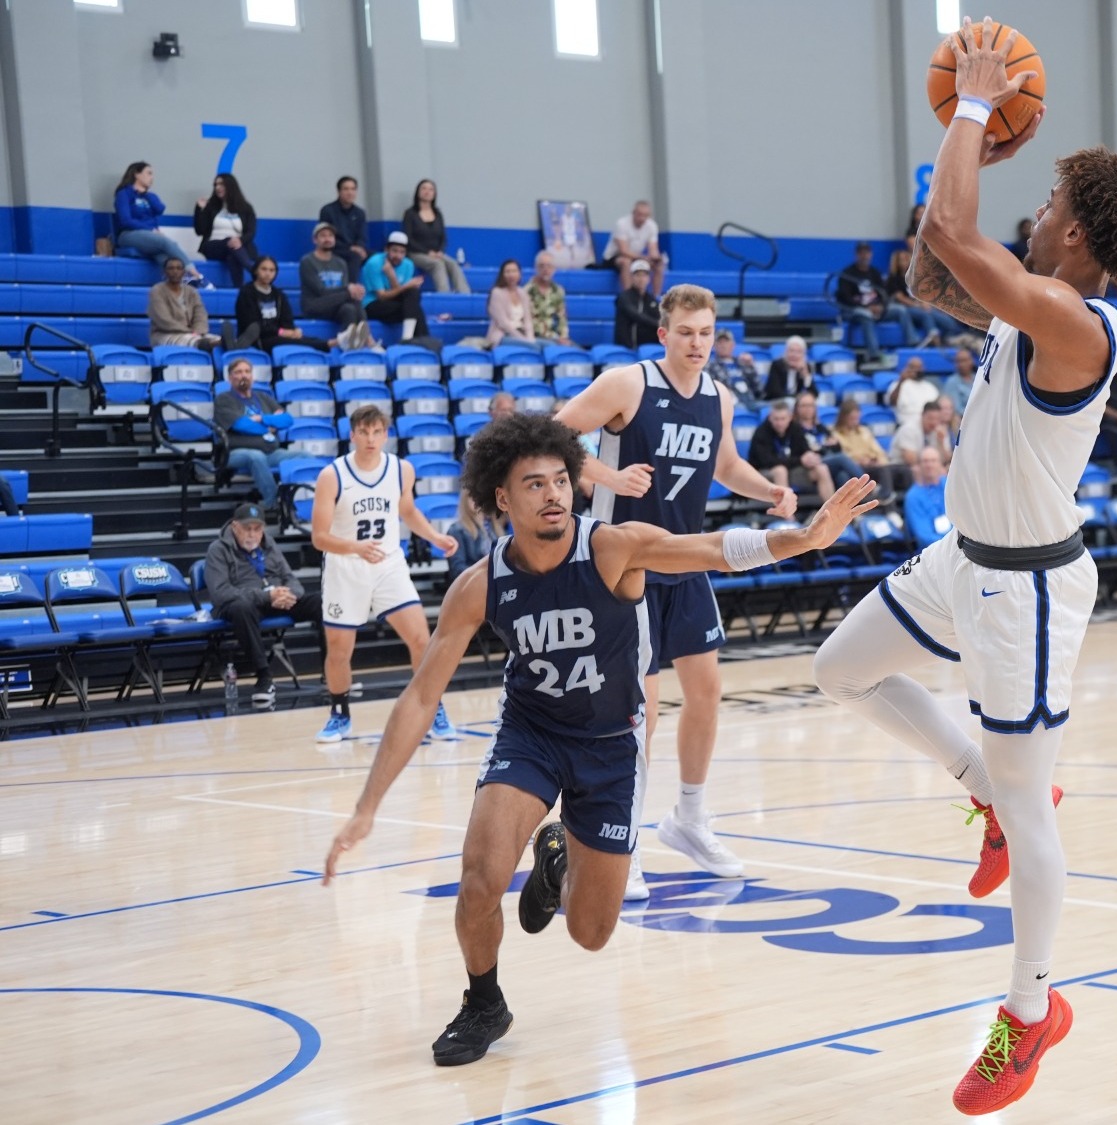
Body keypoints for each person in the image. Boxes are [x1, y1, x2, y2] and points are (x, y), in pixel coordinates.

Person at [812, 24, 1117, 1112]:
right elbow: (931, 264)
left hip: (1027, 591)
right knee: (840, 669)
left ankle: (1029, 1012)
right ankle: (992, 791)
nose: (1039, 208)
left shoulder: (1071, 321)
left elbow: (951, 227)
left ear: (1075, 231)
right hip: (962, 556)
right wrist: (978, 152)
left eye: (1051, 198)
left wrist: (972, 109)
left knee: (1030, 810)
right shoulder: (1024, 296)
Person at [321, 413, 876, 1067]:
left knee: (591, 931)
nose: (554, 493)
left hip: (613, 746)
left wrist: (805, 538)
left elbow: (711, 547)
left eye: (561, 479)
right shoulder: (480, 584)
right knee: (478, 881)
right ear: (503, 497)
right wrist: (366, 807)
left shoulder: (614, 545)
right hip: (531, 734)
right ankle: (483, 1001)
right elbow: (419, 695)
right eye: (534, 484)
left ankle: (556, 856)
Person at [553, 284, 803, 903]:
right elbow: (550, 438)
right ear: (663, 334)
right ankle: (622, 842)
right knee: (642, 713)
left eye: (707, 333)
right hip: (626, 564)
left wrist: (768, 491)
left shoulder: (718, 396)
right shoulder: (626, 384)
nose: (697, 343)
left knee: (708, 693)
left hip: (686, 561)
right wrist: (608, 476)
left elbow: (723, 465)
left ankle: (689, 818)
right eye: (686, 332)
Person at [308, 405, 461, 745]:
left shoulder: (401, 469)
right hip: (345, 569)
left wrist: (434, 536)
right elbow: (319, 537)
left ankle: (432, 708)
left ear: (386, 434)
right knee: (338, 649)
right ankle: (339, 714)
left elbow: (406, 509)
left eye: (377, 432)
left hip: (389, 565)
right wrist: (355, 547)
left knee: (422, 639)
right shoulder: (332, 476)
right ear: (352, 434)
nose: (370, 439)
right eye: (363, 432)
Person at [203, 502, 322, 708]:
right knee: (241, 608)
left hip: (276, 599)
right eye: (247, 529)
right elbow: (221, 593)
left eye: (257, 529)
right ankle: (264, 678)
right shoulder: (218, 549)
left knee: (321, 602)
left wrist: (288, 594)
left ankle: (333, 671)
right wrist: (267, 596)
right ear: (234, 527)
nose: (252, 534)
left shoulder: (269, 544)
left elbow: (290, 578)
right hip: (241, 604)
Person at [212, 357, 307, 507]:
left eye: (247, 371)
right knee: (255, 457)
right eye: (238, 372)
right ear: (230, 378)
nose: (244, 375)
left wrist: (261, 418)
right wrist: (269, 426)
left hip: (270, 452)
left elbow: (287, 419)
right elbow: (241, 425)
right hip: (234, 453)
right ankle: (274, 503)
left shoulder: (263, 397)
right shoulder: (224, 399)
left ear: (252, 376)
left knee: (304, 456)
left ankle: (304, 501)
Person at [113, 162, 206, 284]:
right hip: (129, 234)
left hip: (150, 236)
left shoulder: (149, 196)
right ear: (137, 174)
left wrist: (145, 194)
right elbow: (125, 220)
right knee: (165, 242)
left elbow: (160, 208)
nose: (152, 177)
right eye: (149, 173)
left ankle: (182, 281)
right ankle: (194, 273)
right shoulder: (124, 194)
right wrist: (150, 230)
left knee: (164, 257)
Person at [299, 222, 374, 350]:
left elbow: (344, 291)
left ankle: (348, 345)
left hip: (336, 304)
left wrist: (351, 291)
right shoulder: (307, 261)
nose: (327, 239)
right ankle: (368, 338)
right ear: (314, 240)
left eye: (330, 236)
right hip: (314, 304)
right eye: (323, 236)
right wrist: (349, 289)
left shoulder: (341, 263)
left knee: (349, 308)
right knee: (351, 296)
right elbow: (320, 291)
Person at [235, 257, 327, 353]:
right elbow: (251, 325)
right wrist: (281, 332)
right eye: (264, 269)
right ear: (255, 271)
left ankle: (328, 344)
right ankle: (329, 344)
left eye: (272, 270)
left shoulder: (278, 294)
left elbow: (287, 321)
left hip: (278, 336)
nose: (268, 273)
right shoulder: (246, 293)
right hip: (258, 340)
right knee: (296, 342)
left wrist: (293, 331)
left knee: (305, 339)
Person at [748, 397, 835, 498]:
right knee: (780, 470)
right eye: (776, 419)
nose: (779, 423)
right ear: (770, 418)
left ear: (790, 417)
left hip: (792, 470)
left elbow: (805, 450)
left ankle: (831, 511)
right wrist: (800, 460)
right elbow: (768, 461)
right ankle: (786, 513)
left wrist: (810, 457)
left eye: (783, 419)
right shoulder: (761, 432)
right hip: (764, 473)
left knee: (822, 468)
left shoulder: (795, 428)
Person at [402, 179, 471, 294]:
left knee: (453, 264)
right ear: (418, 192)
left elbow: (443, 237)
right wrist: (427, 252)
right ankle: (444, 297)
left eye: (431, 189)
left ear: (434, 194)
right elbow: (408, 239)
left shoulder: (438, 214)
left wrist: (440, 251)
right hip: (416, 253)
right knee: (437, 264)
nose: (427, 192)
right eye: (423, 188)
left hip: (436, 253)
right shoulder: (410, 214)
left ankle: (465, 296)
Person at [829, 399, 909, 497]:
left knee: (895, 469)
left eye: (857, 418)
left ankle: (888, 501)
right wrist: (860, 460)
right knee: (843, 475)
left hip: (871, 465)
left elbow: (878, 451)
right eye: (852, 418)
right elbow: (841, 456)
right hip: (854, 467)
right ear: (843, 417)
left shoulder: (864, 431)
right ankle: (876, 497)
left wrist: (878, 460)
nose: (855, 422)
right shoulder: (835, 434)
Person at [193, 173, 259, 289]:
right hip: (213, 246)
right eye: (216, 185)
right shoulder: (211, 206)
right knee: (230, 242)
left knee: (232, 256)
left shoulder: (246, 208)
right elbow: (200, 231)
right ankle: (252, 269)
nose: (218, 187)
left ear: (231, 186)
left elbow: (251, 232)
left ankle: (238, 290)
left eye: (221, 184)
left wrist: (240, 240)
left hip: (236, 247)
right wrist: (199, 209)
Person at [362, 232, 429, 342]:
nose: (398, 256)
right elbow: (381, 296)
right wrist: (406, 286)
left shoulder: (408, 264)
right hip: (371, 304)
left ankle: (407, 338)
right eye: (395, 251)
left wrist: (392, 277)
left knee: (412, 294)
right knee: (414, 309)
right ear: (386, 250)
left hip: (394, 303)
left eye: (402, 252)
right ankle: (423, 341)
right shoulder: (374, 263)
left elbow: (401, 294)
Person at [886, 246, 959, 346]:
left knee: (948, 322)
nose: (905, 262)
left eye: (906, 258)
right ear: (896, 262)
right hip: (907, 308)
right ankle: (934, 340)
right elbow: (900, 298)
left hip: (922, 306)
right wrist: (918, 305)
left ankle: (945, 341)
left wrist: (925, 304)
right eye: (901, 260)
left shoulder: (916, 277)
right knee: (925, 315)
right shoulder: (893, 279)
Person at [149, 258, 222, 349]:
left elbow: (200, 314)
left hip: (193, 333)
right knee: (191, 341)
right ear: (164, 271)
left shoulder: (191, 291)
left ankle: (225, 344)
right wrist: (189, 331)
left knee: (217, 339)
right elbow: (163, 319)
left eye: (179, 268)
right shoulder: (157, 291)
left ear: (184, 272)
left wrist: (198, 331)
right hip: (164, 334)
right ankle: (205, 344)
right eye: (171, 268)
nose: (175, 271)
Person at [835, 241, 889, 359]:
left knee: (900, 310)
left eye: (867, 252)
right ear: (856, 254)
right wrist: (866, 307)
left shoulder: (875, 273)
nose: (864, 255)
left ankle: (913, 343)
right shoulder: (847, 273)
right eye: (861, 253)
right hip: (852, 310)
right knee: (865, 315)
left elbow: (884, 294)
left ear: (871, 254)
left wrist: (880, 306)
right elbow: (845, 297)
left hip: (876, 309)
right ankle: (874, 355)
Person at [606, 200, 665, 294]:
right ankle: (629, 297)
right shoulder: (622, 224)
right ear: (633, 213)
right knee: (626, 261)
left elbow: (653, 249)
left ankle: (656, 298)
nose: (642, 218)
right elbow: (623, 250)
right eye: (640, 214)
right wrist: (644, 258)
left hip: (636, 258)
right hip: (614, 257)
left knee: (659, 265)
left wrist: (656, 259)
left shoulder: (652, 226)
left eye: (645, 215)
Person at [319, 175, 369, 273]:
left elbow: (362, 236)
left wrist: (359, 247)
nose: (350, 192)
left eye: (353, 189)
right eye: (346, 189)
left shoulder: (360, 213)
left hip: (355, 249)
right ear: (339, 191)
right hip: (335, 249)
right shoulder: (327, 210)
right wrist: (350, 248)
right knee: (354, 256)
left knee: (378, 258)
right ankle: (350, 287)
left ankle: (379, 288)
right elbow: (325, 237)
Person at [904, 445, 950, 546]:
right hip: (932, 551)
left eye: (933, 461)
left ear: (940, 464)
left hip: (958, 545)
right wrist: (953, 545)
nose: (929, 465)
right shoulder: (913, 497)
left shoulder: (949, 486)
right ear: (918, 466)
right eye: (925, 461)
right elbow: (924, 536)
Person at [485, 259, 538, 346]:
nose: (511, 275)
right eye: (507, 272)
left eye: (514, 271)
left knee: (548, 346)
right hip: (503, 336)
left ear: (519, 274)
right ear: (502, 275)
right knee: (532, 347)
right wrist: (524, 340)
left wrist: (530, 338)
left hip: (522, 333)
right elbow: (503, 324)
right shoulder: (497, 293)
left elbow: (528, 320)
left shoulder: (523, 293)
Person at [527, 252, 575, 346]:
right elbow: (528, 321)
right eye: (542, 266)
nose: (546, 269)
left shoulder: (558, 290)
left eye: (549, 266)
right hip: (533, 336)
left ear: (554, 269)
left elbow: (562, 318)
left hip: (554, 337)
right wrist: (553, 338)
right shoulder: (527, 291)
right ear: (536, 268)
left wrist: (563, 336)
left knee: (576, 353)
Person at [704, 328, 760, 404]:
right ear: (714, 346)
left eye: (726, 341)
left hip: (750, 400)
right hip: (729, 402)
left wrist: (750, 367)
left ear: (733, 345)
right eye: (720, 342)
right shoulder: (710, 366)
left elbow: (758, 388)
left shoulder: (742, 363)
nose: (723, 345)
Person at [612, 259, 659, 349]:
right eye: (637, 275)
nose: (641, 279)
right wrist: (658, 324)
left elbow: (659, 315)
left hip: (646, 348)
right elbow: (635, 315)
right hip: (627, 347)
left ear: (649, 278)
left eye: (644, 275)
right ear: (632, 277)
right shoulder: (624, 297)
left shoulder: (651, 300)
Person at [886, 355, 940, 430]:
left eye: (919, 367)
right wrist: (901, 382)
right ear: (906, 368)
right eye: (913, 367)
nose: (916, 370)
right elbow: (892, 403)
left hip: (929, 427)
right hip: (906, 426)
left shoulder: (931, 388)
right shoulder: (897, 386)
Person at [763, 336, 815, 401]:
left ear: (803, 355)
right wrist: (797, 398)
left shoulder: (805, 367)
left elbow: (814, 394)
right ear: (785, 352)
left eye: (798, 352)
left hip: (796, 404)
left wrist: (806, 377)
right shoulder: (777, 365)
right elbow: (775, 392)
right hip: (776, 403)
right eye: (791, 351)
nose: (794, 355)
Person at [939, 345, 978, 413]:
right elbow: (956, 409)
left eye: (964, 360)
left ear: (972, 361)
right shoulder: (952, 382)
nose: (961, 364)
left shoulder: (978, 379)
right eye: (958, 361)